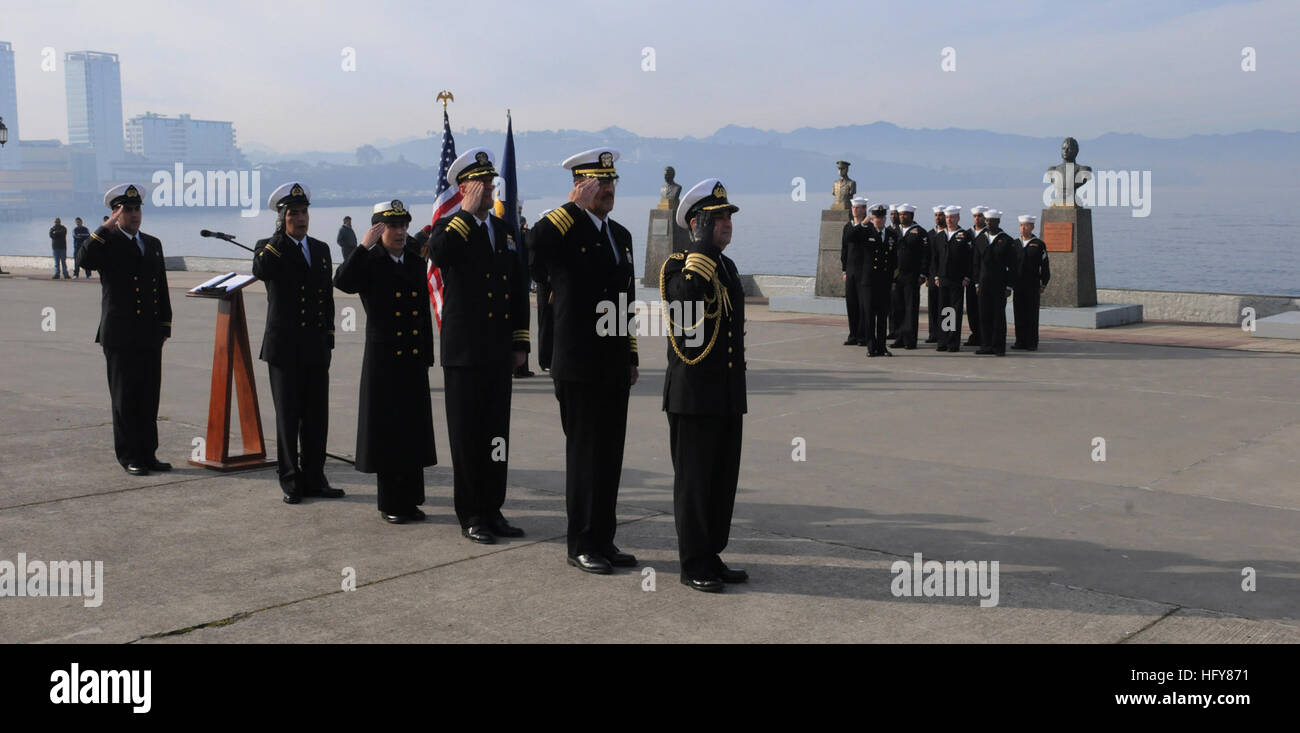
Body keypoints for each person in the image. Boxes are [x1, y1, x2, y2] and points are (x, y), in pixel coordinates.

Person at [530, 147, 639, 575]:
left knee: (610, 456)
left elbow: (625, 302)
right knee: (585, 456)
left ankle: (604, 539)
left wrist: (630, 353)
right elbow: (532, 248)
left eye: (611, 183)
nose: (607, 190)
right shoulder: (564, 229)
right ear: (580, 185)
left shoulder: (621, 236)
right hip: (577, 363)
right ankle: (581, 543)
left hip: (612, 363)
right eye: (598, 183)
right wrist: (570, 207)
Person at [428, 148, 531, 544]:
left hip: (497, 351)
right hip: (465, 353)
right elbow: (439, 256)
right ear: (465, 187)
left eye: (491, 183)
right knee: (468, 437)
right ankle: (471, 512)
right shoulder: (450, 227)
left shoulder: (505, 231)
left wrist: (520, 341)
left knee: (496, 437)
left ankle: (494, 507)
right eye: (484, 183)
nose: (491, 188)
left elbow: (518, 289)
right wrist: (467, 216)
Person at [661, 179, 748, 592]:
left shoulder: (727, 267)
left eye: (729, 216)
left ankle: (712, 553)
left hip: (727, 393)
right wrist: (699, 251)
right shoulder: (679, 265)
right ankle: (693, 561)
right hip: (694, 395)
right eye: (718, 218)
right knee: (694, 484)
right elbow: (685, 304)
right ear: (696, 224)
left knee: (720, 480)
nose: (727, 224)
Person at [334, 200, 437, 523]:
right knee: (389, 431)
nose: (400, 232)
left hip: (412, 356)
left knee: (412, 430)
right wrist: (362, 247)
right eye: (393, 226)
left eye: (404, 226)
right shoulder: (371, 260)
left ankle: (411, 498)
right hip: (384, 359)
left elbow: (422, 311)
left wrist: (427, 354)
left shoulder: (413, 260)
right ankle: (392, 502)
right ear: (378, 230)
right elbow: (343, 282)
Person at [251, 182, 342, 504]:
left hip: (316, 346)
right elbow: (261, 270)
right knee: (289, 417)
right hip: (285, 348)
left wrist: (329, 337)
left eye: (303, 212)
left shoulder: (320, 249)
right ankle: (290, 479)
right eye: (292, 213)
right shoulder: (269, 247)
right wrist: (279, 238)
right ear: (282, 217)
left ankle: (315, 477)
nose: (300, 218)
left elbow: (326, 299)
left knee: (317, 417)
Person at [75, 184, 172, 475]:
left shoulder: (152, 243)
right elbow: (83, 261)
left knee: (148, 396)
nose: (133, 215)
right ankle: (130, 455)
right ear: (115, 214)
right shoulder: (108, 242)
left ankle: (148, 453)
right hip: (119, 334)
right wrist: (104, 228)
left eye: (136, 209)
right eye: (126, 210)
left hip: (149, 334)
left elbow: (161, 288)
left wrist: (164, 326)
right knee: (125, 397)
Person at [974, 209, 1015, 356]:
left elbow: (1012, 266)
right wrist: (977, 283)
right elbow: (976, 263)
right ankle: (986, 345)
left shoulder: (1006, 240)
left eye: (992, 221)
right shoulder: (980, 239)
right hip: (983, 284)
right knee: (984, 315)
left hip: (999, 284)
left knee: (998, 316)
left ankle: (998, 347)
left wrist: (1009, 286)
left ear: (998, 222)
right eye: (987, 221)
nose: (989, 223)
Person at [934, 205, 973, 352]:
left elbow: (970, 259)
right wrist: (936, 275)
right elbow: (935, 258)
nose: (949, 220)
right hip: (943, 278)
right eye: (947, 217)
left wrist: (967, 277)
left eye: (952, 217)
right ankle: (943, 340)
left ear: (958, 218)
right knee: (944, 310)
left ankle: (953, 342)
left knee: (954, 311)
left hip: (957, 279)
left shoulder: (964, 236)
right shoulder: (940, 236)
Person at [860, 203, 897, 357]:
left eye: (882, 217)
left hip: (884, 281)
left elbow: (894, 259)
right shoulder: (866, 233)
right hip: (869, 281)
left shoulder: (891, 235)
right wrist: (862, 224)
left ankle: (882, 347)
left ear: (885, 218)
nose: (879, 220)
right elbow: (850, 237)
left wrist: (893, 280)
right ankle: (871, 347)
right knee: (869, 316)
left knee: (882, 316)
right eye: (876, 217)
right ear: (872, 218)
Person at [1011, 215, 1051, 351]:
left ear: (1032, 227)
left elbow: (1045, 266)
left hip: (1032, 285)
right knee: (1019, 313)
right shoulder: (1015, 244)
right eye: (1021, 225)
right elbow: (1010, 266)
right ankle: (1020, 341)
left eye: (1026, 225)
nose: (1023, 228)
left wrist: (1043, 283)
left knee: (1031, 314)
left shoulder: (1039, 244)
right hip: (1018, 285)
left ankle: (1032, 342)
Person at [890, 204, 927, 350]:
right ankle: (899, 337)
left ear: (912, 216)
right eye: (900, 214)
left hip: (912, 276)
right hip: (897, 276)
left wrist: (923, 274)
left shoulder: (920, 232)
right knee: (897, 308)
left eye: (905, 214)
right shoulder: (894, 232)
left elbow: (925, 255)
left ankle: (910, 339)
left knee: (910, 308)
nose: (902, 217)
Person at [841, 196, 870, 345]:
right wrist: (844, 270)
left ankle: (862, 335)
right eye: (853, 207)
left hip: (863, 271)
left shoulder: (869, 227)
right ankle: (853, 334)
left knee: (863, 305)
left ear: (864, 209)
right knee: (851, 304)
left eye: (858, 208)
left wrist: (862, 226)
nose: (854, 210)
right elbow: (845, 247)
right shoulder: (848, 226)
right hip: (851, 271)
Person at [529, 210, 555, 372]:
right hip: (545, 286)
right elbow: (534, 265)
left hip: (557, 285)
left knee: (557, 323)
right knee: (546, 323)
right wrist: (545, 280)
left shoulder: (555, 240)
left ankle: (554, 356)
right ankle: (545, 360)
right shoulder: (538, 242)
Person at [965, 206, 989, 346]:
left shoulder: (990, 234)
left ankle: (983, 334)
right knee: (972, 307)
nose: (977, 218)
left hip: (983, 278)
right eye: (975, 216)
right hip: (969, 278)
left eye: (980, 216)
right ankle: (975, 333)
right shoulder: (967, 234)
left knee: (983, 308)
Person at [925, 206, 945, 343]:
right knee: (933, 306)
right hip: (932, 275)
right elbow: (927, 257)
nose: (938, 218)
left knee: (947, 307)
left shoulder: (953, 234)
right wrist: (926, 276)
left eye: (941, 215)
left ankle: (947, 334)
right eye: (936, 215)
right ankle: (933, 334)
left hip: (947, 276)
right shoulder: (930, 234)